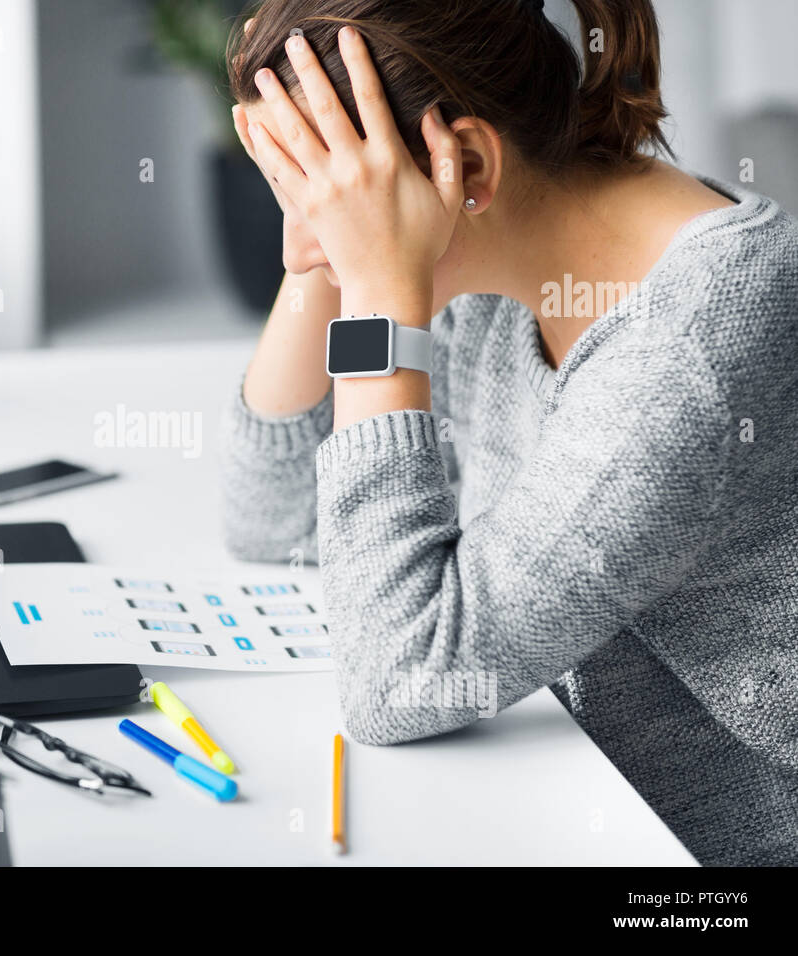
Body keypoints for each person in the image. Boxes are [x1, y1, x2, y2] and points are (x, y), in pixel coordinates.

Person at [220, 0, 798, 865]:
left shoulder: (688, 353)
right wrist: (331, 249)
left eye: (324, 198)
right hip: (558, 795)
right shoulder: (498, 257)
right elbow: (276, 517)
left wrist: (376, 284)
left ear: (467, 166)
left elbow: (402, 679)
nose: (297, 249)